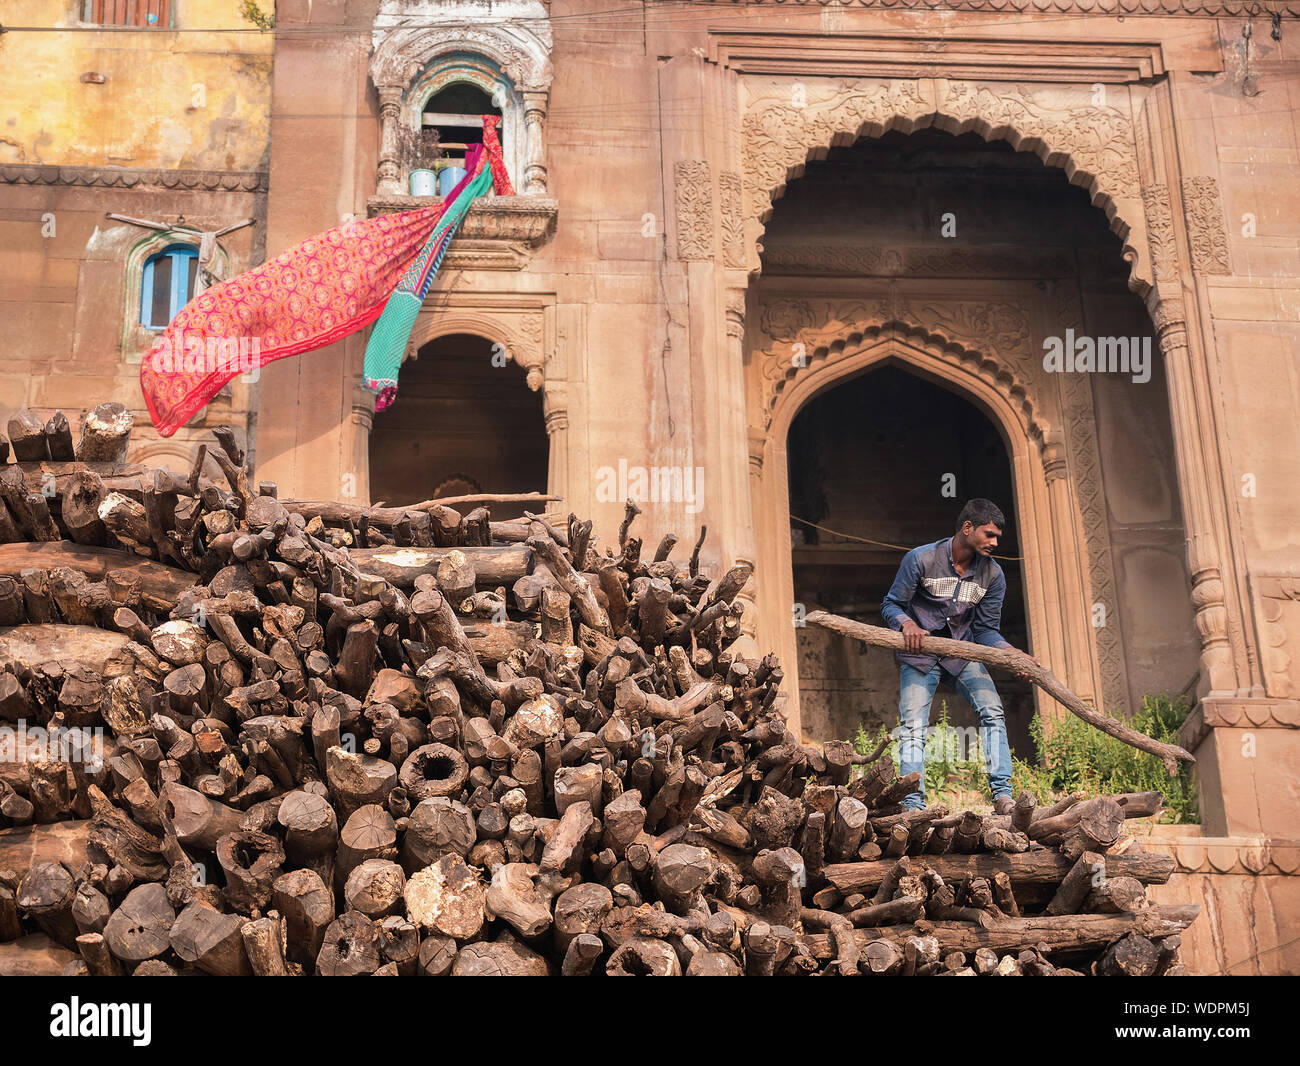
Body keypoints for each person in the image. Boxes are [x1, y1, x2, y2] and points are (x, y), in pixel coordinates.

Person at [880, 498, 1038, 813]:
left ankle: (1002, 797)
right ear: (968, 528)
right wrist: (908, 624)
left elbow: (986, 631)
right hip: (920, 656)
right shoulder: (921, 559)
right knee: (913, 724)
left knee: (992, 710)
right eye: (989, 534)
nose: (994, 543)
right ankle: (912, 804)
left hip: (962, 653)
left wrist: (1012, 653)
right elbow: (891, 604)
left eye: (997, 538)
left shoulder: (993, 576)